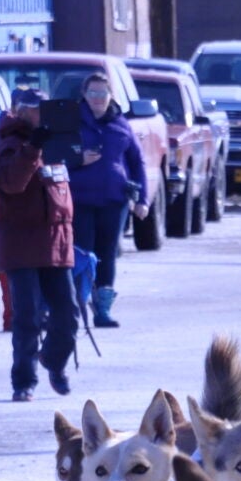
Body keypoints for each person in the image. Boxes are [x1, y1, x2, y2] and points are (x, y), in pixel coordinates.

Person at [0, 89, 77, 401]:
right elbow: (12, 183)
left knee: (68, 314)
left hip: (56, 242)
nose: (40, 114)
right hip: (20, 244)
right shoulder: (9, 142)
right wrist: (33, 147)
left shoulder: (57, 142)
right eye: (33, 109)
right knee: (26, 318)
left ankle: (54, 360)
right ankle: (23, 381)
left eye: (44, 108)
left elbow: (62, 191)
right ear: (20, 111)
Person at [67, 73, 147, 329]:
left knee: (108, 254)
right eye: (93, 93)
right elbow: (53, 155)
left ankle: (102, 309)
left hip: (115, 201)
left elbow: (137, 161)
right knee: (82, 253)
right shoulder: (71, 122)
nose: (98, 99)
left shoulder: (121, 124)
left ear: (111, 96)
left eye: (103, 94)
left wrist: (142, 199)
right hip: (80, 199)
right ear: (84, 95)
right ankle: (76, 306)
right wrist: (78, 159)